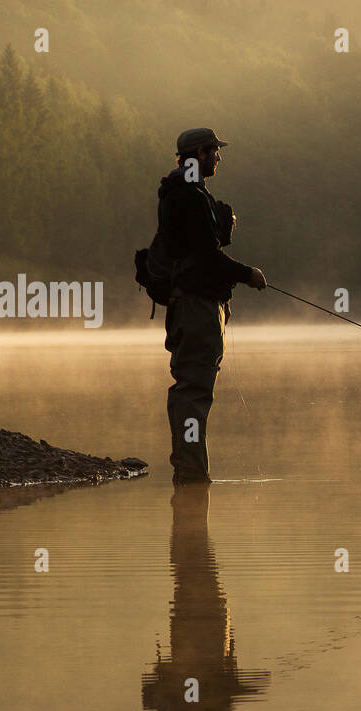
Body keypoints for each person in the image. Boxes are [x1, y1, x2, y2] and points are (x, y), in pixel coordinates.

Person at [156, 127, 266, 484]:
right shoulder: (190, 195)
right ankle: (191, 474)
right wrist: (248, 273)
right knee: (195, 389)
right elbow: (206, 258)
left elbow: (197, 254)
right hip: (196, 308)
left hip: (192, 305)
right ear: (199, 154)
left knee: (192, 388)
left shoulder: (184, 191)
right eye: (214, 151)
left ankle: (190, 472)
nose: (218, 157)